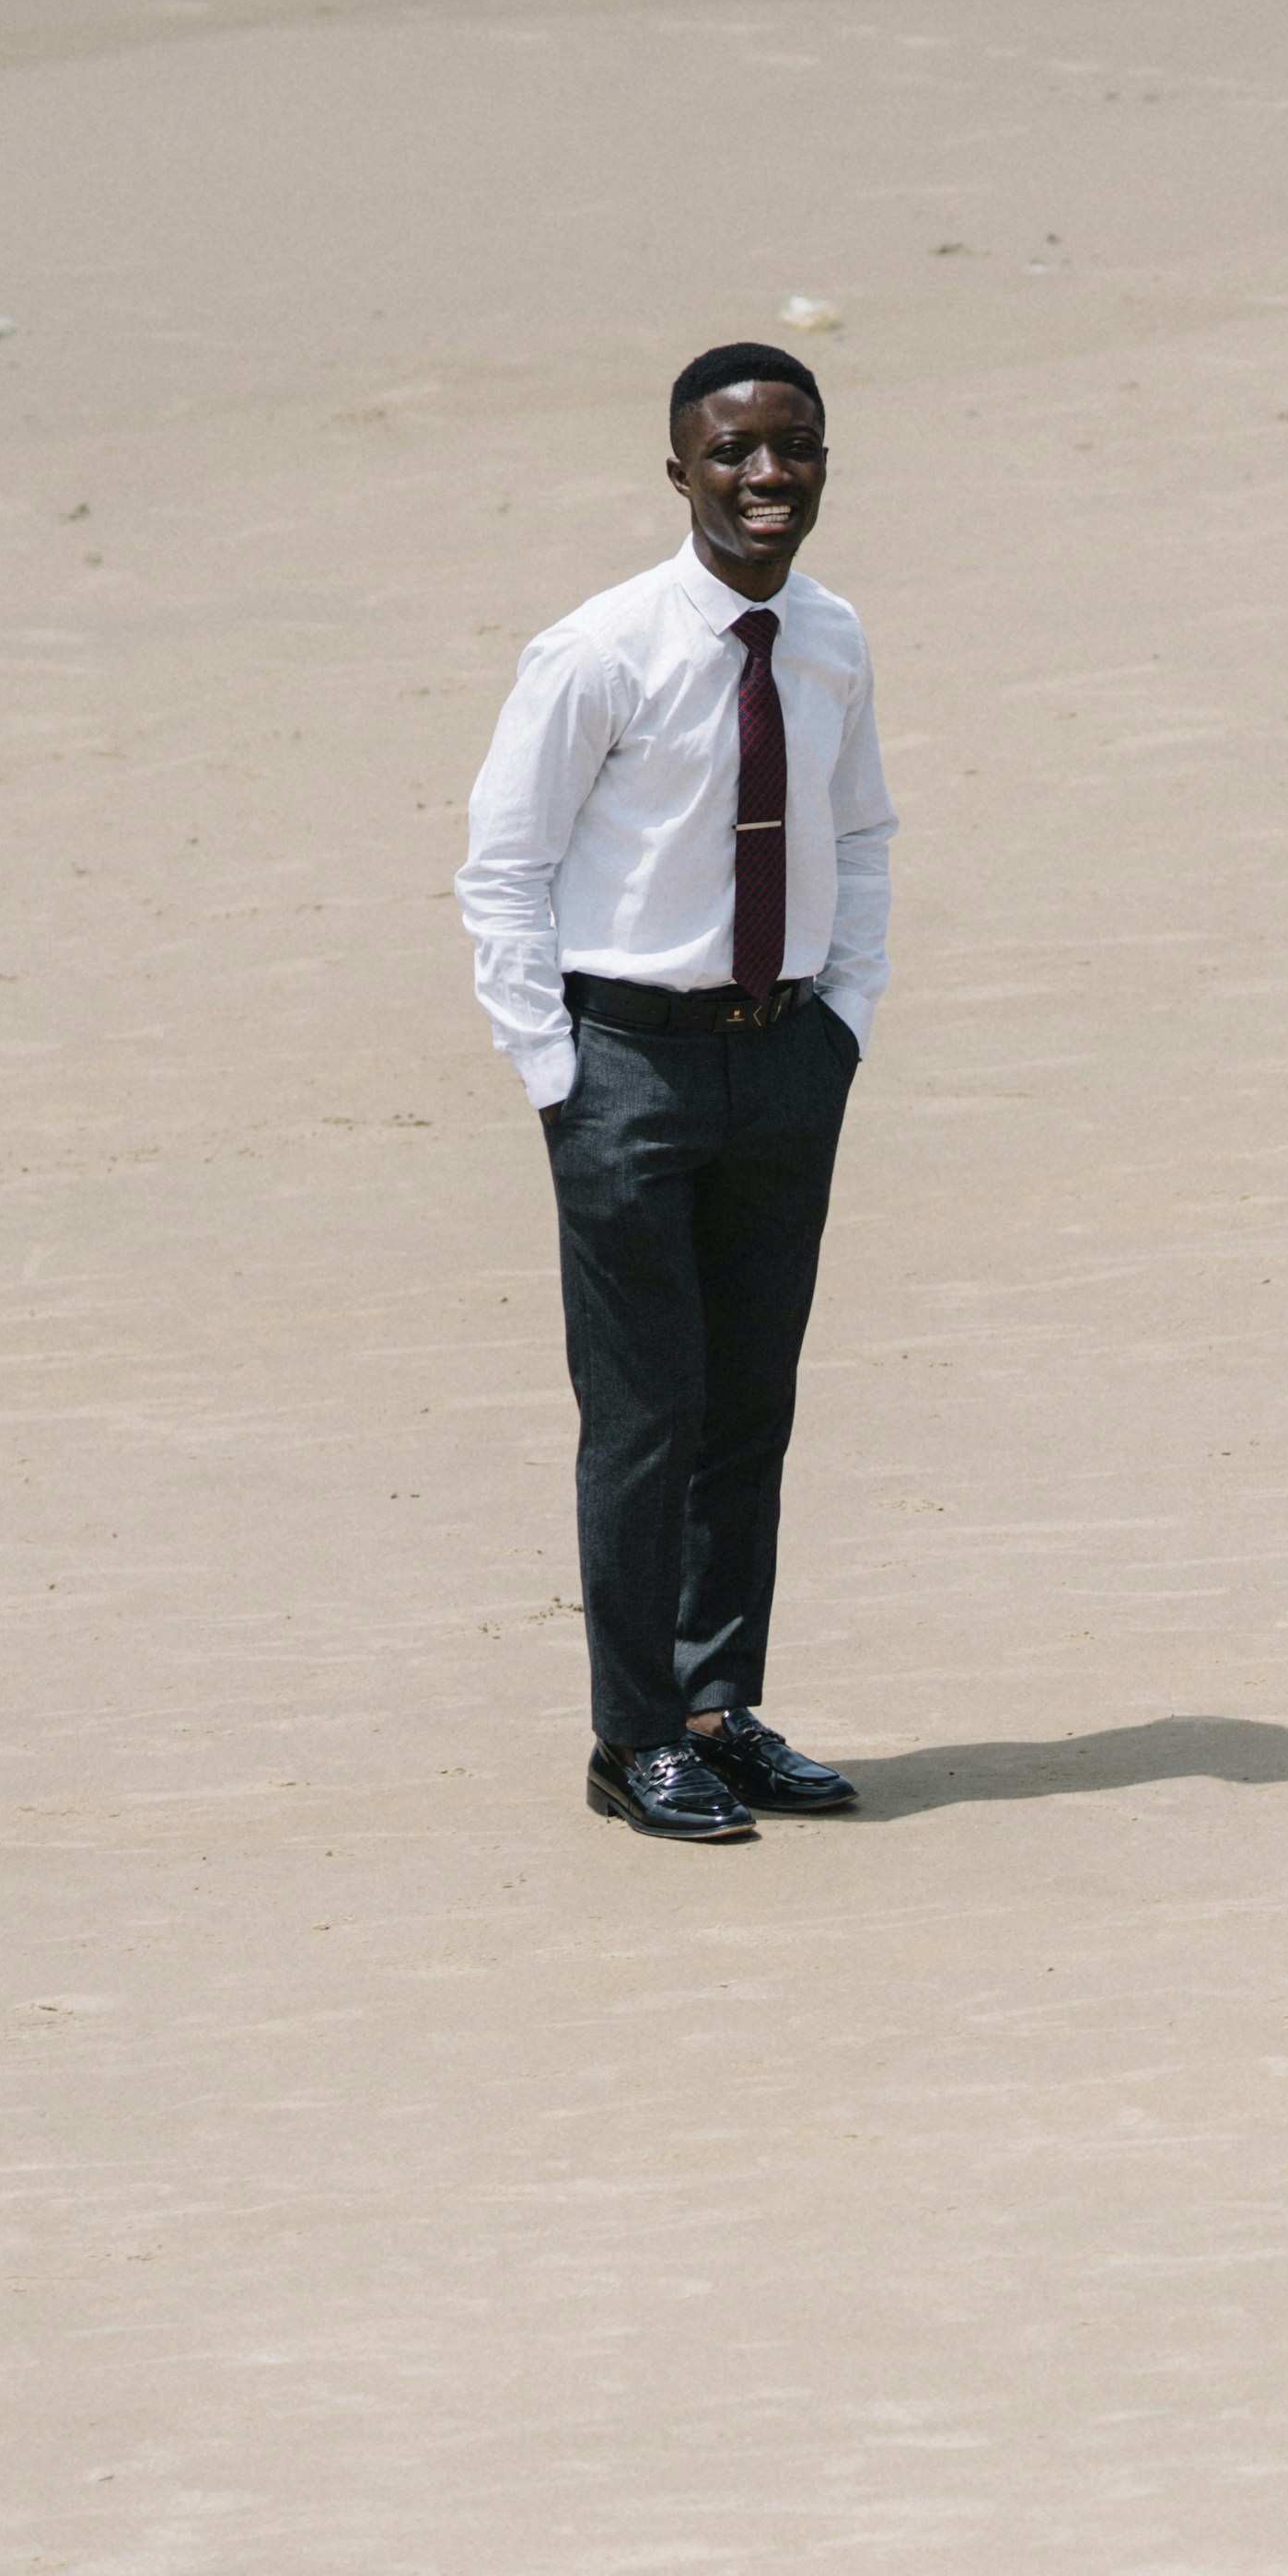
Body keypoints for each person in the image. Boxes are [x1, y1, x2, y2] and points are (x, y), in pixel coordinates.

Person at [459, 344, 898, 1845]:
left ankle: (719, 1709)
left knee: (748, 1408)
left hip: (783, 1059)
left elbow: (864, 828)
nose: (767, 477)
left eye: (795, 448)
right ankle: (632, 1735)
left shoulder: (830, 638)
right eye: (733, 454)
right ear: (679, 475)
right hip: (628, 1066)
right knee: (644, 1416)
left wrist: (842, 1018)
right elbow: (505, 866)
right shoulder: (600, 650)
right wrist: (555, 1072)